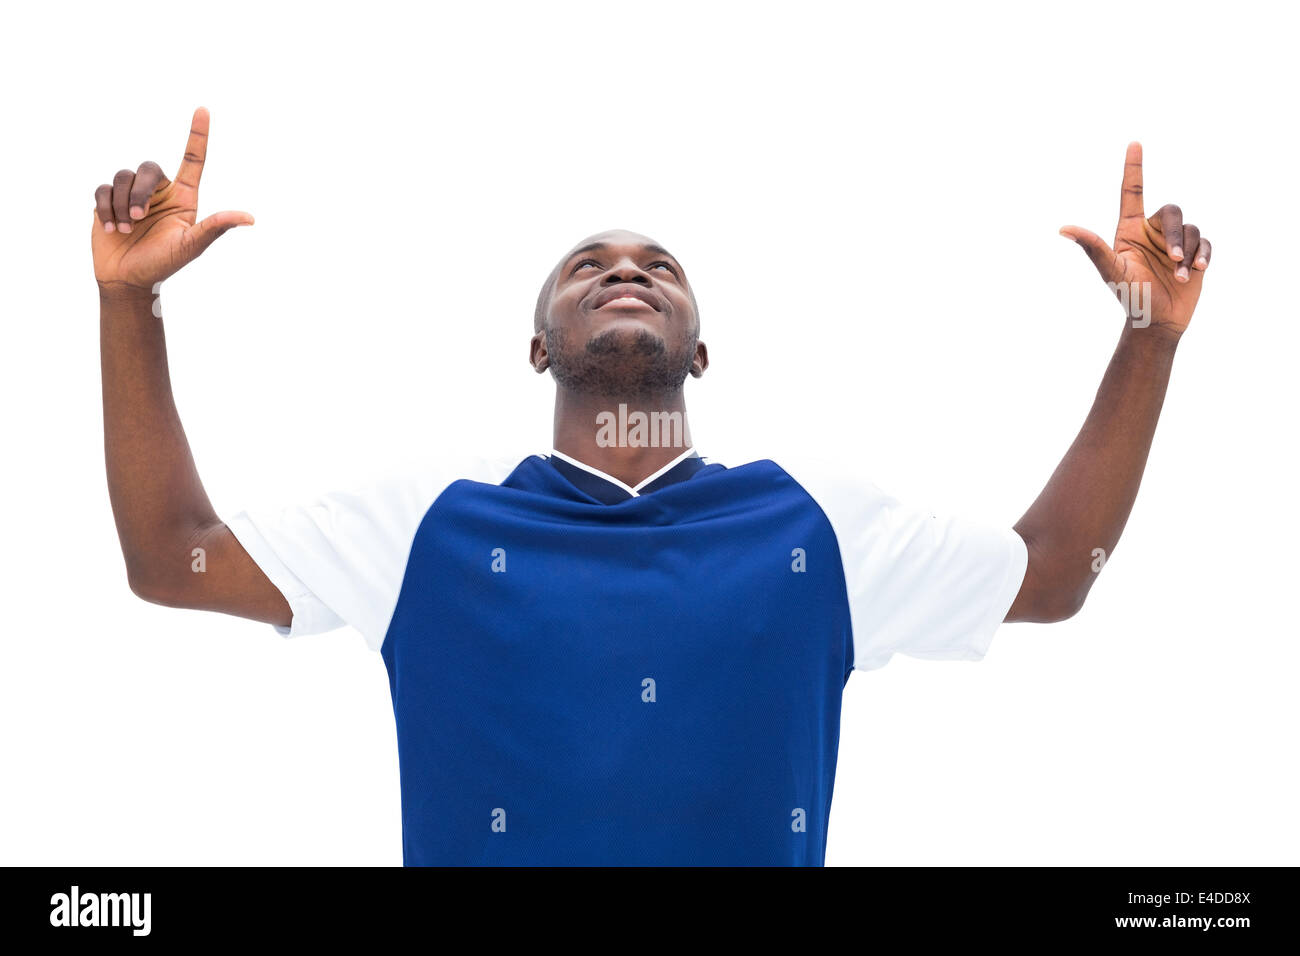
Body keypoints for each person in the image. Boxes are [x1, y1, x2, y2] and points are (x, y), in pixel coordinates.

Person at [93, 107, 1212, 866]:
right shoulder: (426, 526)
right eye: (587, 265)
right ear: (537, 349)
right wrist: (127, 307)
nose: (624, 269)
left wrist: (1148, 341)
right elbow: (168, 553)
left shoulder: (810, 524)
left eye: (656, 266)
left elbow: (1057, 570)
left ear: (701, 349)